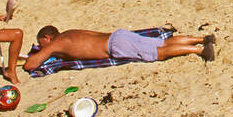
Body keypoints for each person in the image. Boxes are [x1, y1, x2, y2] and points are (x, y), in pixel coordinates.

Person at [23, 25, 215, 72]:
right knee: (162, 43)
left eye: (42, 43)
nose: (42, 47)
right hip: (117, 36)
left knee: (159, 53)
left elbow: (30, 65)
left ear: (47, 37)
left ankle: (199, 50)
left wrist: (41, 53)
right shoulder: (69, 33)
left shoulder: (56, 43)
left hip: (115, 46)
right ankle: (201, 38)